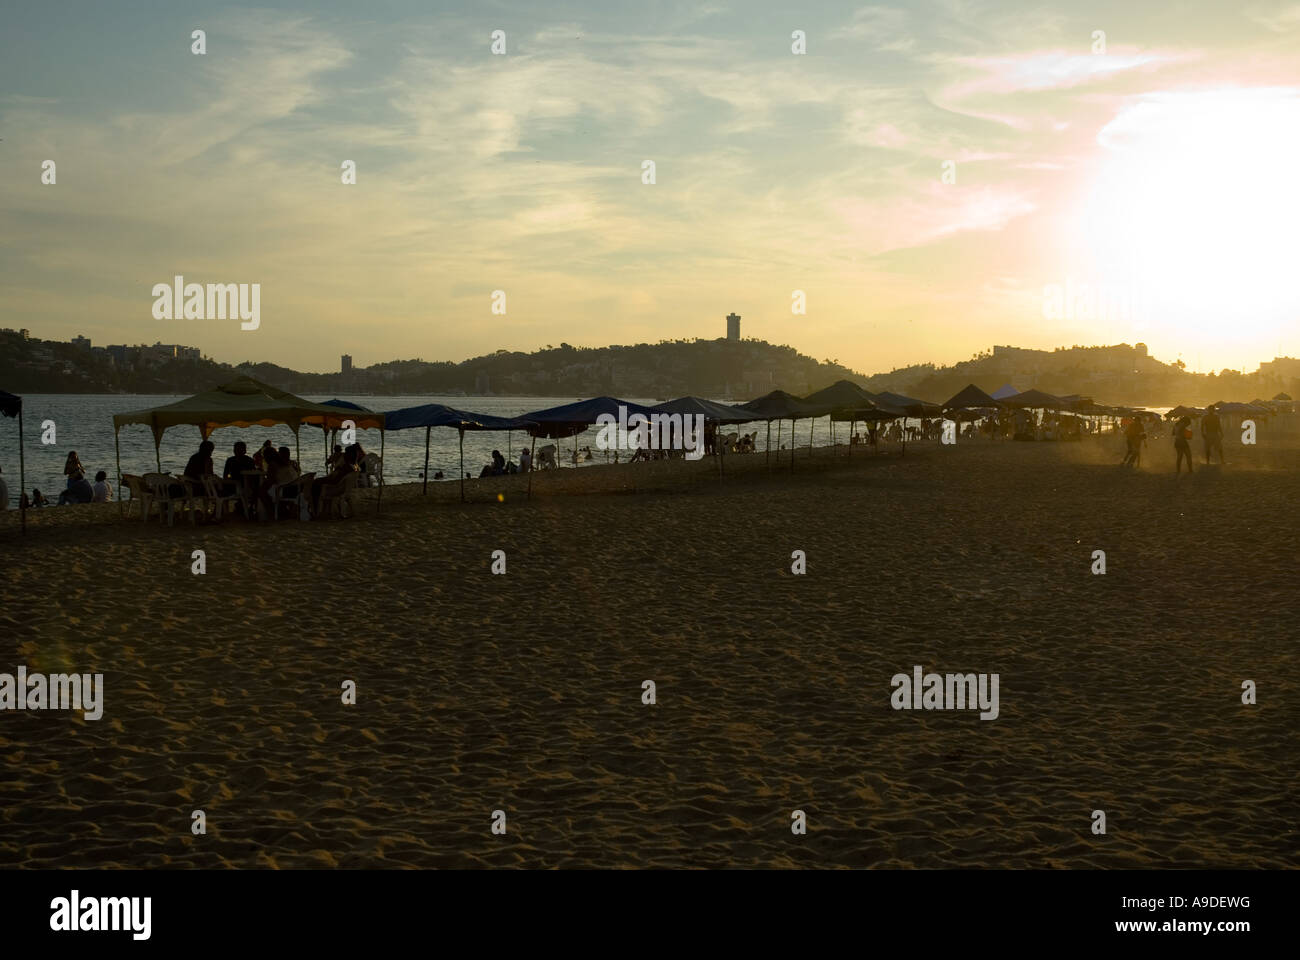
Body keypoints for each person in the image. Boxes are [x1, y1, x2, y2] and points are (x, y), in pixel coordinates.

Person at [311, 447, 359, 518]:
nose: (344, 454)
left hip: (337, 489)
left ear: (350, 455)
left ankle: (316, 510)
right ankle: (322, 509)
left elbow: (335, 480)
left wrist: (323, 479)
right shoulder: (355, 466)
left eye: (346, 453)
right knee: (317, 483)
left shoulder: (346, 467)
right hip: (343, 487)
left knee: (315, 485)